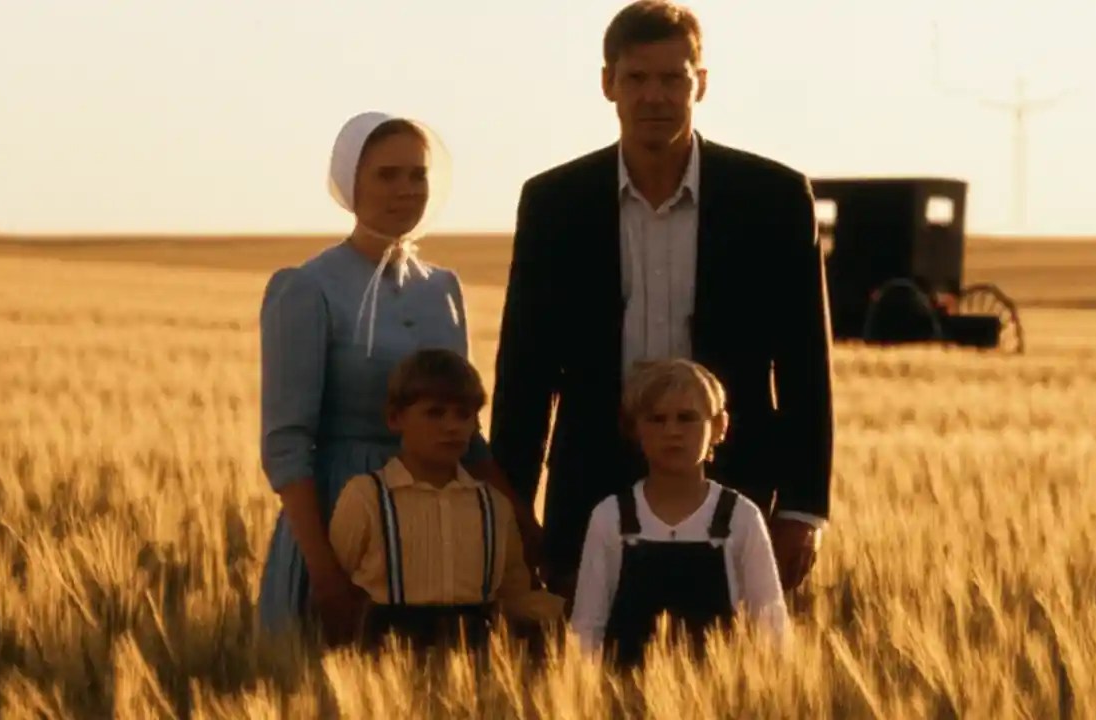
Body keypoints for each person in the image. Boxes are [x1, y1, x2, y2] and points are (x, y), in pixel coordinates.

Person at [490, 0, 835, 602]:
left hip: (734, 485)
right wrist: (513, 511)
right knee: (589, 672)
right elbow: (525, 369)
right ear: (608, 84)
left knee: (734, 672)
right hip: (591, 487)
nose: (655, 96)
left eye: (673, 78)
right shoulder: (554, 202)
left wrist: (804, 509)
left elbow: (806, 365)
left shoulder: (774, 199)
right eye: (636, 78)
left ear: (700, 83)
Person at [257, 111, 541, 642]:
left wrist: (520, 525)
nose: (406, 189)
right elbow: (286, 444)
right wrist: (323, 571)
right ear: (351, 183)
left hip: (440, 517)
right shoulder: (305, 288)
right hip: (341, 516)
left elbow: (467, 428)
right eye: (387, 175)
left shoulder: (443, 287)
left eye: (418, 175)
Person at [327, 349, 565, 654]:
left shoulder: (493, 506)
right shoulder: (366, 497)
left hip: (476, 661)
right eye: (435, 413)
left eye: (463, 415)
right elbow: (335, 592)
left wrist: (572, 610)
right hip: (391, 657)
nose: (452, 426)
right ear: (395, 418)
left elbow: (514, 594)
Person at [569, 359, 790, 668]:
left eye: (687, 418)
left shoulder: (740, 517)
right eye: (657, 419)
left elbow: (770, 625)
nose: (672, 431)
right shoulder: (611, 518)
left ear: (718, 427)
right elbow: (587, 627)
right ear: (635, 429)